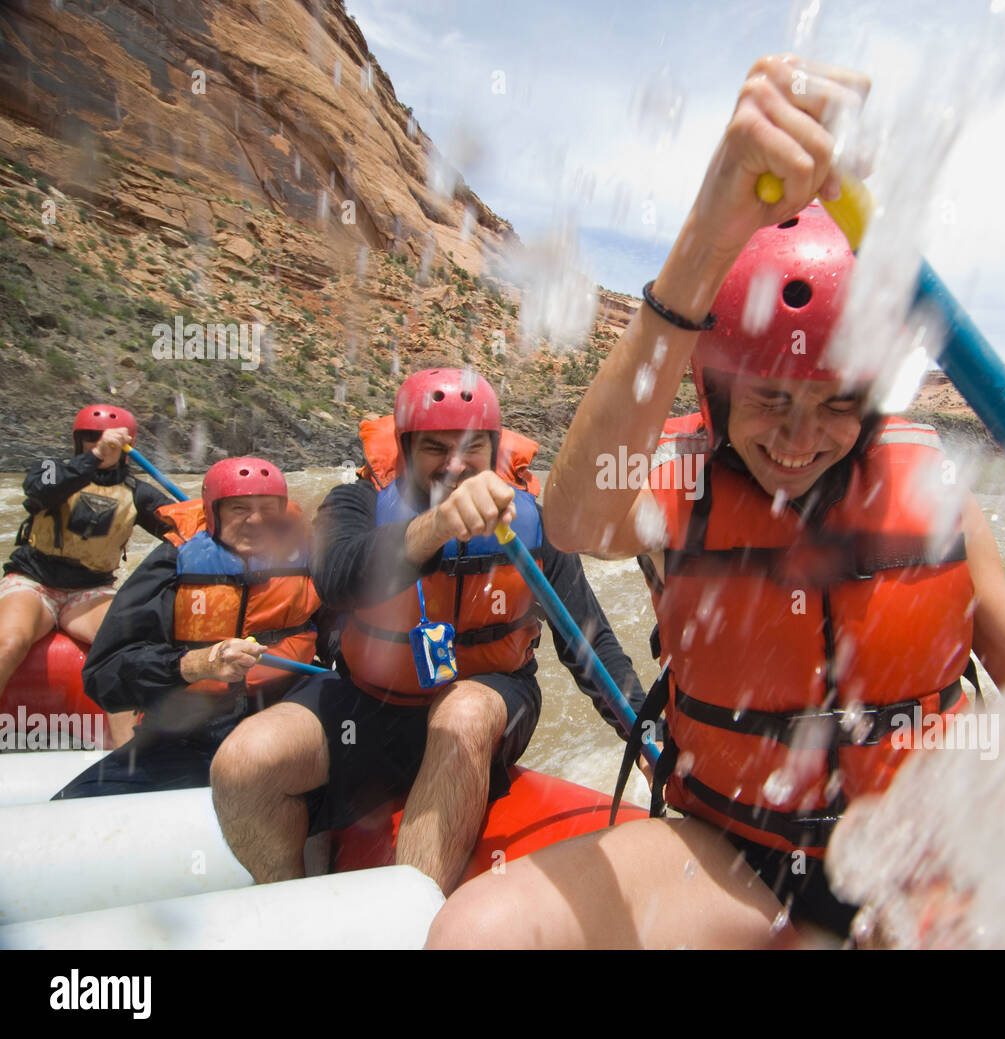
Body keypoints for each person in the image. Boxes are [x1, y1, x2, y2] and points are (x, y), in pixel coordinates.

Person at [425, 54, 1005, 950]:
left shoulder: (937, 498)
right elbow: (574, 519)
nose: (801, 437)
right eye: (771, 397)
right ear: (718, 392)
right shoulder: (679, 482)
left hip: (917, 855)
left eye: (835, 402)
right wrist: (711, 230)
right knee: (478, 932)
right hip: (730, 852)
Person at [210, 367, 647, 895]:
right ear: (405, 447)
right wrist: (436, 526)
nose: (455, 465)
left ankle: (407, 923)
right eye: (435, 448)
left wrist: (643, 736)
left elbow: (589, 642)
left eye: (472, 447)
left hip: (490, 700)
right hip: (366, 700)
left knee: (461, 712)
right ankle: (289, 904)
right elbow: (336, 578)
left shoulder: (537, 524)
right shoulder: (355, 504)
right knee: (243, 763)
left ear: (494, 445)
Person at [52, 457, 323, 798]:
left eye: (268, 508)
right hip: (188, 733)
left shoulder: (308, 560)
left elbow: (339, 637)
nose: (255, 520)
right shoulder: (171, 566)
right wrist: (195, 665)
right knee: (72, 805)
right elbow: (104, 677)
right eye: (239, 508)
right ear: (213, 513)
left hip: (280, 721)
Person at [1, 405, 173, 747]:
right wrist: (95, 457)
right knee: (10, 641)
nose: (99, 443)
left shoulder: (139, 494)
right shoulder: (51, 470)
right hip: (34, 582)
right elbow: (43, 491)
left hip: (91, 591)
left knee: (124, 650)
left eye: (106, 439)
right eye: (89, 438)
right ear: (79, 442)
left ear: (127, 445)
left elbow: (181, 532)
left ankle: (127, 754)